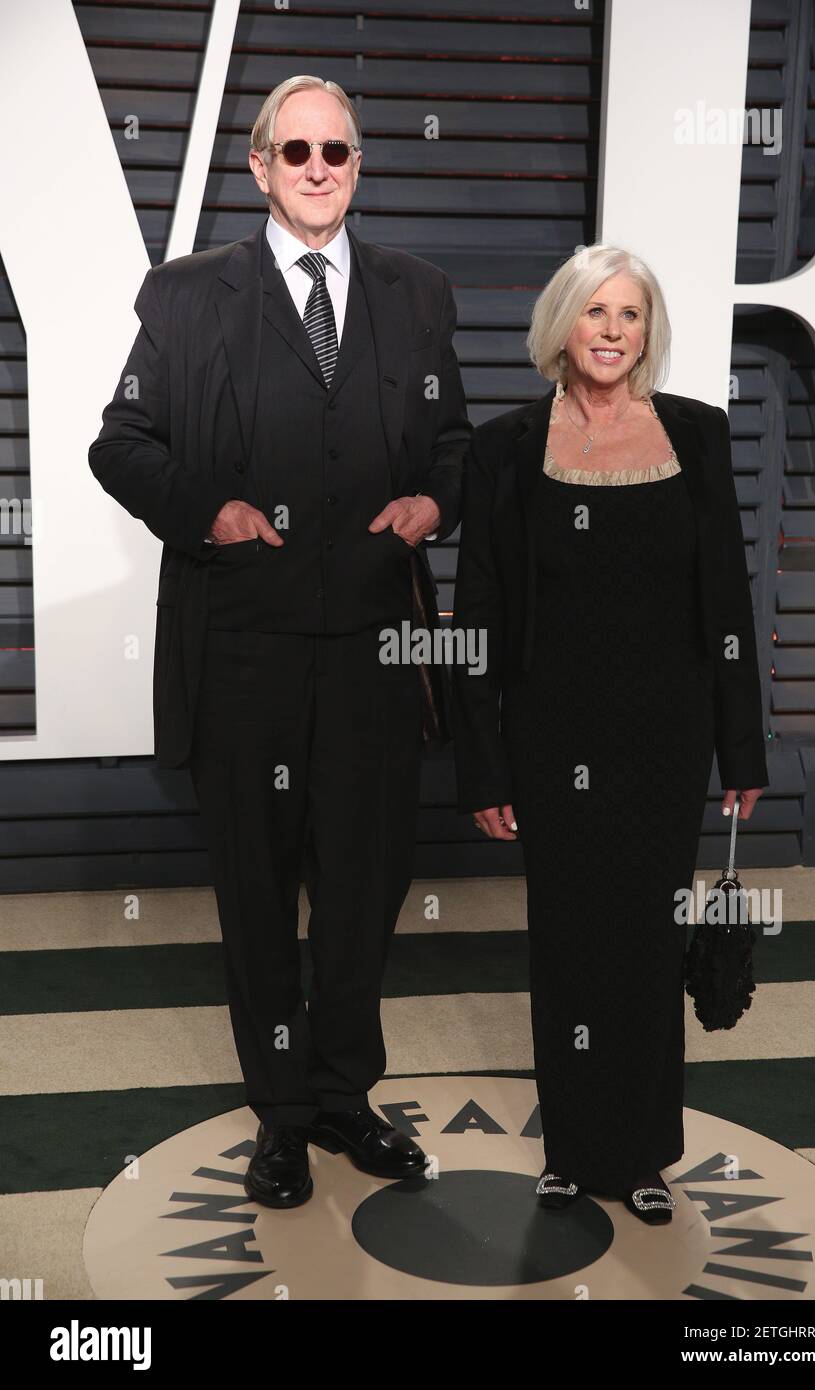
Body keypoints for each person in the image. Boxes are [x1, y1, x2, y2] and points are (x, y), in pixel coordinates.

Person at [89, 75, 470, 1208]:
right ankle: (282, 1116)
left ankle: (348, 1095)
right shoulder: (187, 295)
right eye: (293, 150)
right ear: (256, 167)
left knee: (363, 888)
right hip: (243, 651)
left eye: (336, 152)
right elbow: (122, 444)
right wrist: (204, 507)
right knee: (258, 898)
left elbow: (453, 442)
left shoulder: (419, 295)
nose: (315, 167)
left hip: (375, 656)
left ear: (358, 167)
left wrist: (435, 506)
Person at [451, 243, 768, 1225]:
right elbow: (477, 615)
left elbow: (723, 597)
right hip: (549, 735)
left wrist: (738, 746)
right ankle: (572, 1148)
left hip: (662, 736)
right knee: (567, 940)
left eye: (628, 315)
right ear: (562, 324)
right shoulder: (505, 448)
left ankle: (638, 1150)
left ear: (646, 331)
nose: (610, 331)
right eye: (594, 312)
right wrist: (483, 763)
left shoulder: (696, 436)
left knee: (642, 940)